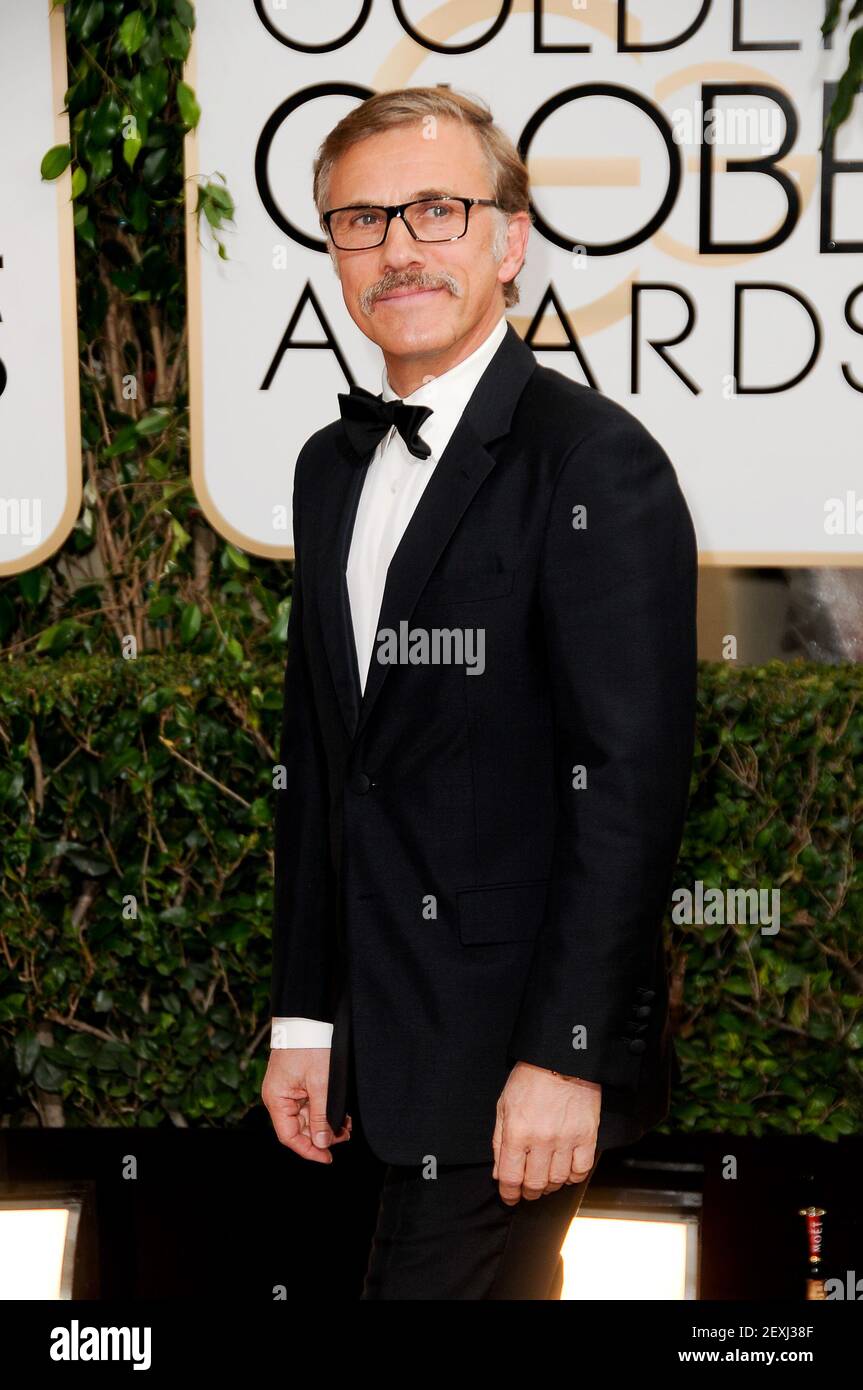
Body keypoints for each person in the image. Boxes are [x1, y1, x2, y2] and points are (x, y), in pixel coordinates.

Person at [261, 86, 697, 1300]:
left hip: (511, 1069)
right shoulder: (326, 468)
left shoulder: (592, 462)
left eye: (435, 210)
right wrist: (304, 1021)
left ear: (509, 242)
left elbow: (628, 784)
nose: (396, 246)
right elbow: (324, 758)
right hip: (368, 1064)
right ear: (334, 253)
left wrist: (564, 1054)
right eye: (360, 220)